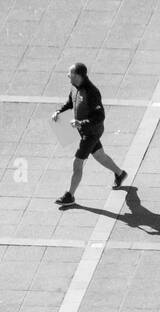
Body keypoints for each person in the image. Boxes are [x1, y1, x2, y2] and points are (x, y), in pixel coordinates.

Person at [51, 62, 127, 205]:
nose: (68, 75)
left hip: (91, 132)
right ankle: (120, 173)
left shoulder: (92, 92)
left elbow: (100, 116)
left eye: (70, 73)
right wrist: (59, 112)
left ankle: (70, 196)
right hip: (83, 130)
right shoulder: (75, 87)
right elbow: (70, 103)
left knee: (77, 162)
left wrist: (82, 123)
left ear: (78, 76)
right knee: (99, 155)